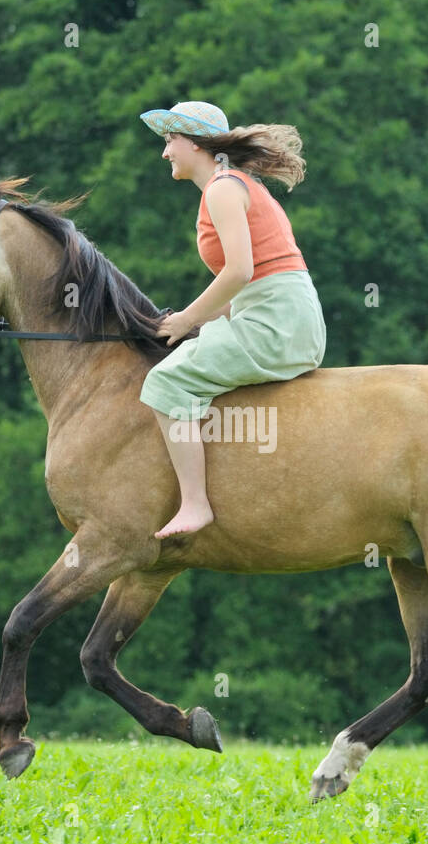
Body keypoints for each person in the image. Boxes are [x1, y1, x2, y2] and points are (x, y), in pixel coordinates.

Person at [138, 101, 326, 539]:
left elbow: (239, 272)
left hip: (276, 322)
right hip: (281, 313)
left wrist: (186, 319)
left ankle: (195, 505)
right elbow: (250, 282)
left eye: (171, 141)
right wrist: (199, 322)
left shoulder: (222, 189)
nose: (165, 152)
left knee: (166, 382)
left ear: (197, 145)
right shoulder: (235, 185)